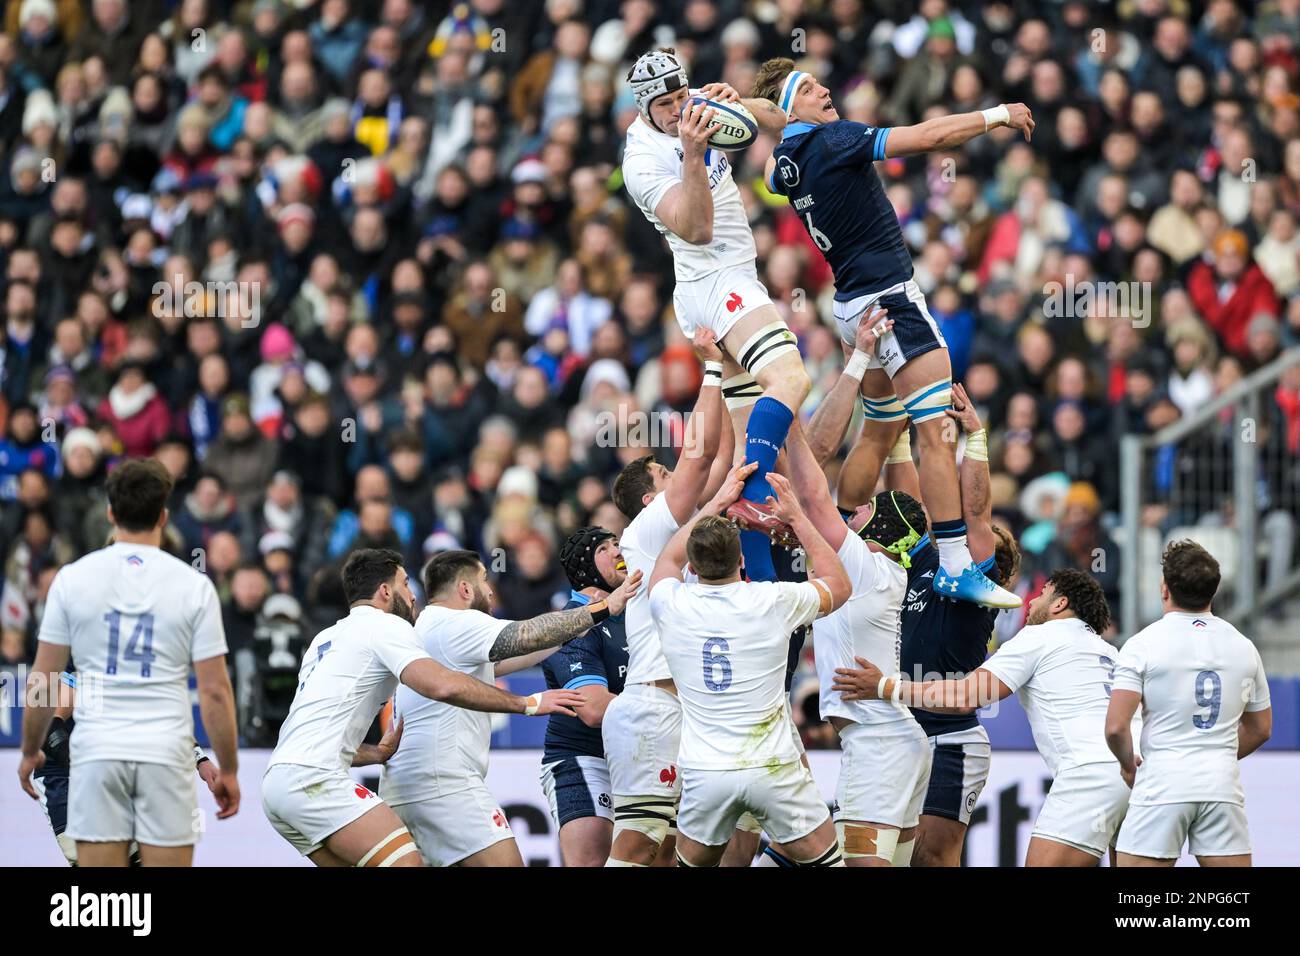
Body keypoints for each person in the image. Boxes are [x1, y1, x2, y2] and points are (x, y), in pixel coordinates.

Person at [755, 57, 1032, 608]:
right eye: (808, 89)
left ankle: (846, 526)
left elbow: (769, 151)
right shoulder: (836, 140)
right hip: (890, 299)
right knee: (934, 430)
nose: (825, 89)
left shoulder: (781, 163)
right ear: (789, 108)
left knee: (883, 430)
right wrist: (997, 113)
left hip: (850, 306)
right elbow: (930, 135)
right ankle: (954, 564)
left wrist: (772, 113)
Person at [262, 548, 582, 867]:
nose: (414, 596)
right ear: (385, 591)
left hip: (277, 784)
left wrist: (375, 753)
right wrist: (526, 703)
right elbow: (442, 685)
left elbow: (315, 731)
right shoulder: (388, 627)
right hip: (321, 781)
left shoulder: (324, 640)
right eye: (405, 585)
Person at [622, 47, 811, 580]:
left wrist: (738, 101)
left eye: (684, 95)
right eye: (668, 105)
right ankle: (750, 500)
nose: (680, 108)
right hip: (713, 280)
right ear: (645, 108)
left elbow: (780, 118)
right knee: (792, 378)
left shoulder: (697, 105)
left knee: (750, 448)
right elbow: (697, 229)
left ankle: (756, 587)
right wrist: (692, 152)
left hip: (736, 276)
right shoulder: (641, 161)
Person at [18, 458, 240, 867]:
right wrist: (228, 767)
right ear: (163, 516)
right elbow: (213, 690)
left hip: (97, 758)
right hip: (164, 756)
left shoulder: (73, 579)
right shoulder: (194, 586)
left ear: (110, 514)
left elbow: (44, 679)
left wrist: (31, 748)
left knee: (108, 908)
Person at [836, 568, 1133, 866]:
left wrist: (884, 686)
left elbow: (964, 698)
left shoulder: (1041, 636)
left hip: (1089, 773)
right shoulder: (1112, 651)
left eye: (1042, 594)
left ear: (1059, 604)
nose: (1029, 602)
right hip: (1137, 772)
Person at [379, 548, 642, 867]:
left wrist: (575, 629)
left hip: (404, 785)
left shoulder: (426, 630)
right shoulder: (456, 623)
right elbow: (526, 636)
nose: (490, 590)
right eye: (484, 580)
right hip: (444, 785)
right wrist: (603, 608)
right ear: (464, 589)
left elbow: (519, 655)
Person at [649, 468, 850, 867]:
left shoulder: (670, 604)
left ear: (694, 565)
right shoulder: (771, 601)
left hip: (706, 772)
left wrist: (715, 504)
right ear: (741, 560)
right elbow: (838, 584)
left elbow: (667, 560)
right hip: (772, 767)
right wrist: (797, 517)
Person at [602, 330, 731, 866]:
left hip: (680, 711)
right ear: (652, 499)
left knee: (667, 851)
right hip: (654, 707)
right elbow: (700, 460)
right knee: (637, 846)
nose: (677, 473)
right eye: (665, 473)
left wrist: (741, 389)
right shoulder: (646, 530)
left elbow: (721, 465)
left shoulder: (678, 533)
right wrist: (714, 371)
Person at [1105, 540, 1272, 867]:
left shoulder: (1142, 644)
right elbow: (1261, 728)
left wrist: (1128, 766)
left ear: (1165, 589)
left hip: (1162, 784)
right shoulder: (1244, 646)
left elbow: (1115, 728)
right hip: (1221, 786)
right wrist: (1216, 753)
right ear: (1213, 591)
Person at [539, 526, 632, 867]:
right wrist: (661, 706)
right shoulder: (570, 623)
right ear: (585, 567)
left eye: (619, 544)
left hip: (632, 755)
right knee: (592, 862)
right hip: (583, 757)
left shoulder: (635, 612)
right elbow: (592, 709)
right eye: (605, 548)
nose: (619, 552)